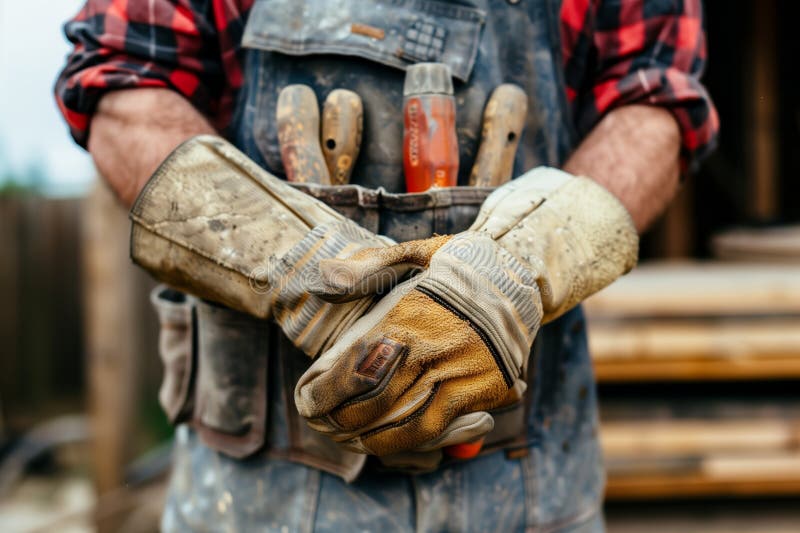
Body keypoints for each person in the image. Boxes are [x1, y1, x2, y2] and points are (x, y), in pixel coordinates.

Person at [55, 0, 718, 531]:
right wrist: (288, 257)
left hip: (531, 493)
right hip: (257, 503)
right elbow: (121, 83)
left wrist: (520, 263)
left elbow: (654, 98)